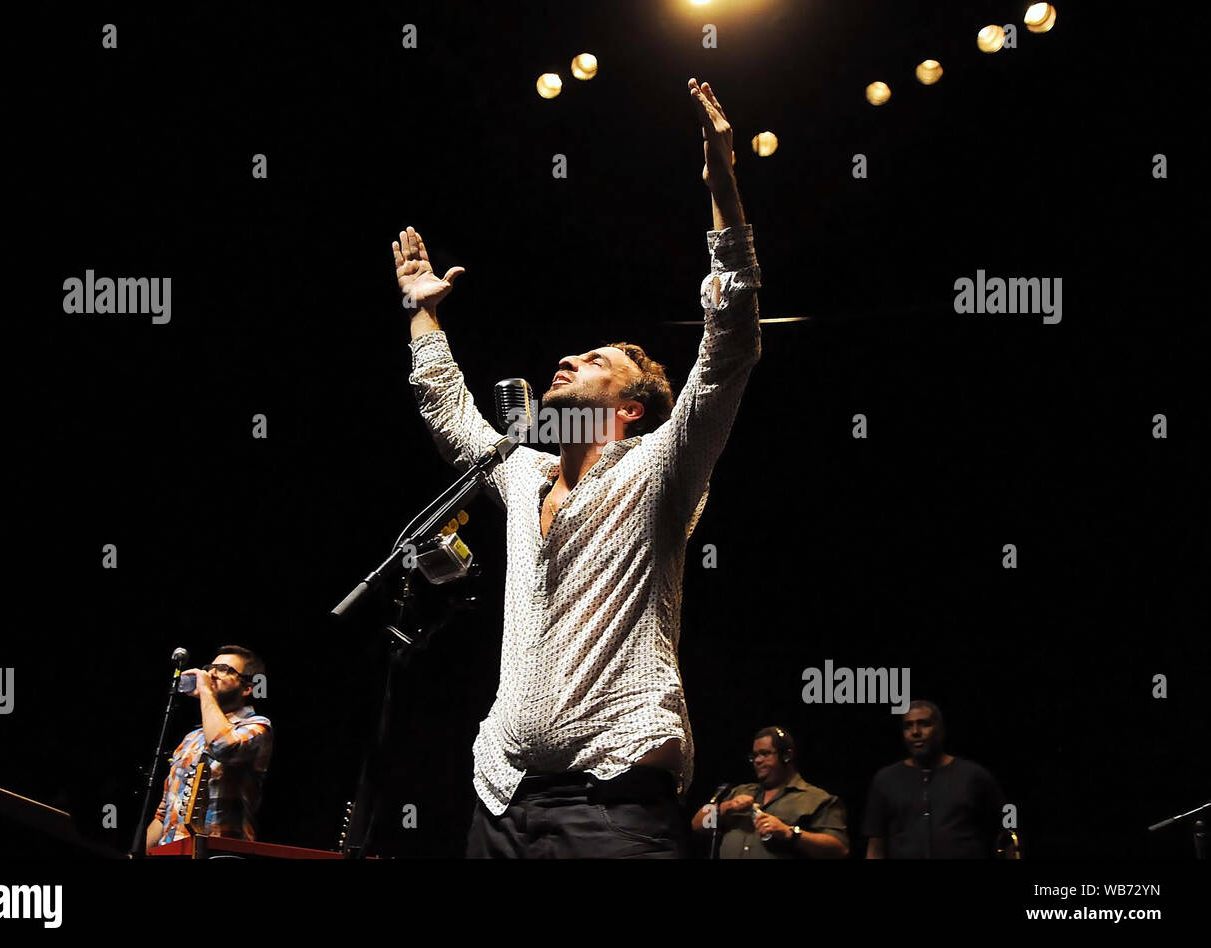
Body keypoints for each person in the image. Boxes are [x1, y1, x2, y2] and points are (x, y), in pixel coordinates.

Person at [395, 77, 762, 857]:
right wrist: (424, 313)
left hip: (611, 804)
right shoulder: (521, 470)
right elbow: (451, 417)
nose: (566, 357)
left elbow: (730, 342)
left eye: (594, 361)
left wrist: (723, 186)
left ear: (629, 408)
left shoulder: (661, 468)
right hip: (499, 800)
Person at [145, 646, 273, 849]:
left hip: (218, 851)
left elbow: (223, 746)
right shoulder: (191, 738)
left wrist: (205, 691)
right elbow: (164, 813)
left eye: (223, 669)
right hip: (173, 850)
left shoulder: (257, 726)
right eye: (210, 667)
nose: (211, 673)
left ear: (247, 687)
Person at [863, 700, 1006, 858]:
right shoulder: (886, 780)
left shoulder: (973, 776)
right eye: (908, 726)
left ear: (940, 729)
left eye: (924, 724)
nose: (915, 732)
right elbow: (876, 845)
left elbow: (1006, 830)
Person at [690, 726, 849, 859]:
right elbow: (697, 824)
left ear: (787, 756)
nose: (758, 761)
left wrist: (789, 833)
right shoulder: (740, 792)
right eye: (754, 756)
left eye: (765, 754)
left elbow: (839, 849)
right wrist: (728, 807)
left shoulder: (816, 799)